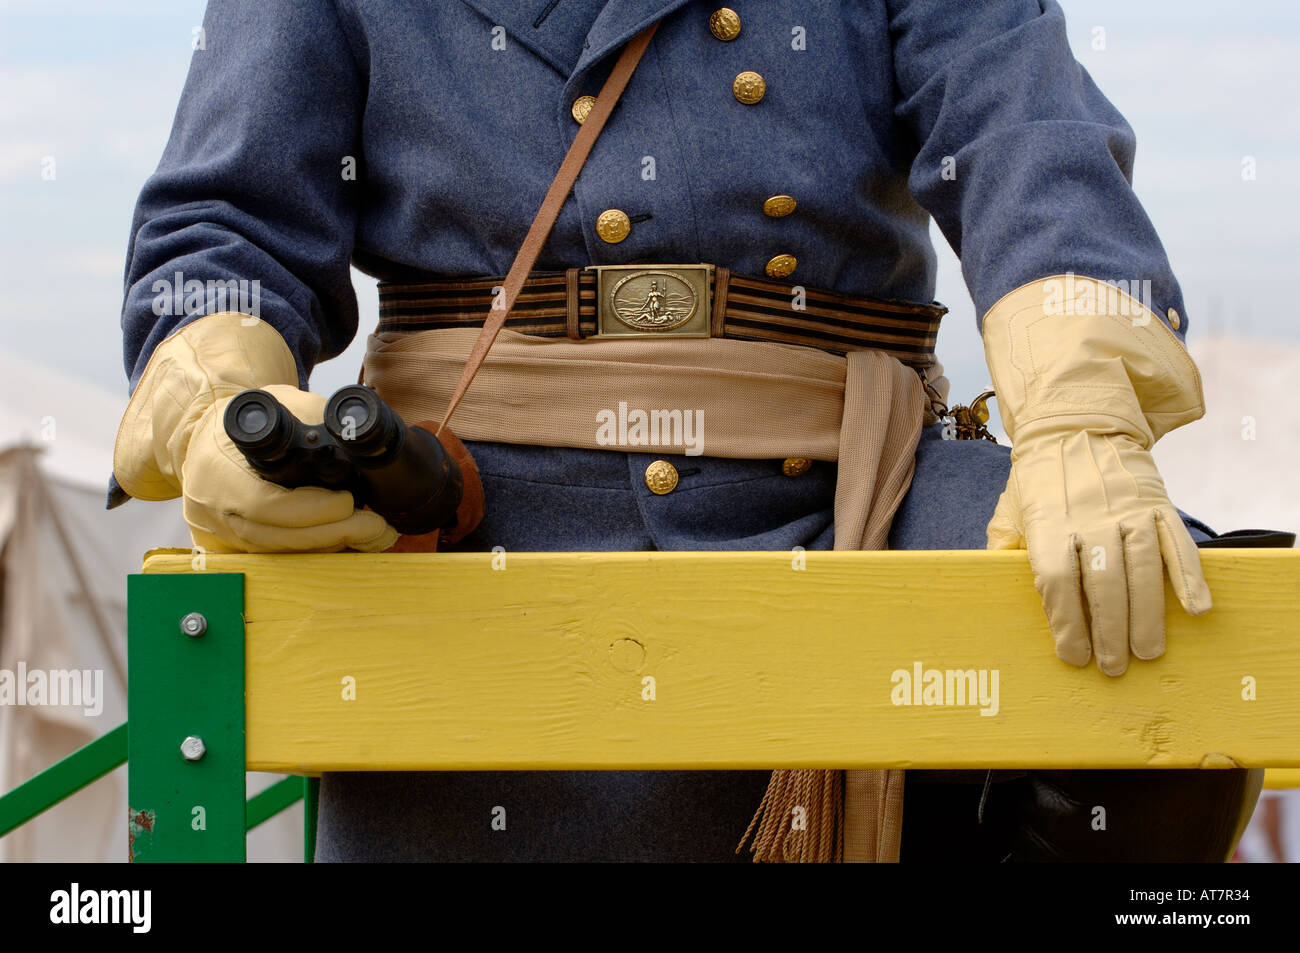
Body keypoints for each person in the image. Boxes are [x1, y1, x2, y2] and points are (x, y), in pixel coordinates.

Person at [111, 0, 1259, 861]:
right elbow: (226, 226)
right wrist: (215, 402)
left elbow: (1032, 145)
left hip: (849, 487)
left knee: (1165, 622)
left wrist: (1082, 418)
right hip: (469, 514)